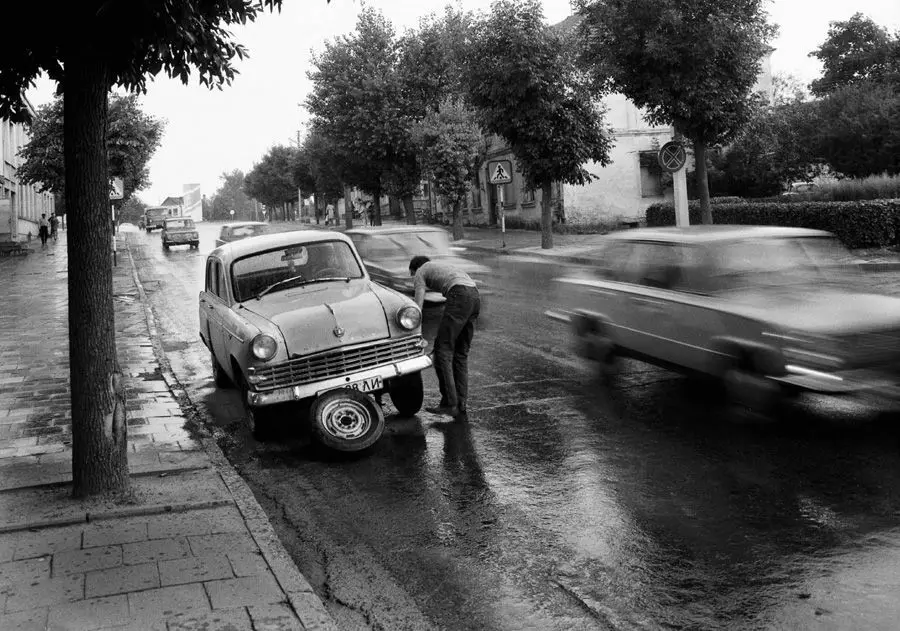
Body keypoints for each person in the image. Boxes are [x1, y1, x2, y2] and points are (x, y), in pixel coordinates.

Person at [410, 255, 480, 420]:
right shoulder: (440, 267)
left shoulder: (421, 271)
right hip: (475, 297)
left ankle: (449, 403)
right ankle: (460, 404)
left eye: (412, 275)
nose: (414, 278)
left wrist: (414, 332)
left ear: (414, 269)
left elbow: (417, 306)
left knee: (442, 351)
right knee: (460, 355)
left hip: (459, 295)